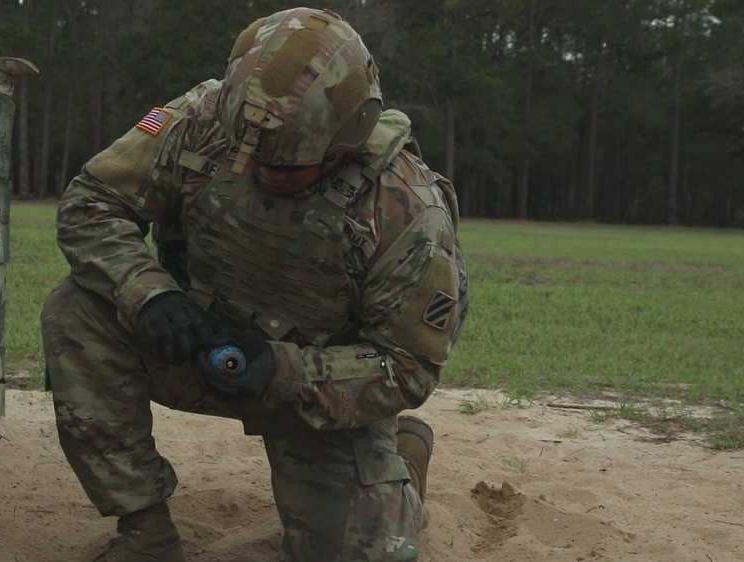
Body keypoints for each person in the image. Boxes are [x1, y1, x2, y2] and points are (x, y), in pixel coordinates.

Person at [40, 7, 468, 561]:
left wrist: (278, 369)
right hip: (198, 341)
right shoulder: (199, 119)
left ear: (345, 140)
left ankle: (402, 459)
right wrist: (149, 293)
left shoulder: (405, 209)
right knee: (76, 311)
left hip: (317, 388)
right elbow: (92, 201)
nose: (260, 169)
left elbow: (406, 367)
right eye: (249, 152)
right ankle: (146, 532)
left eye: (286, 167)